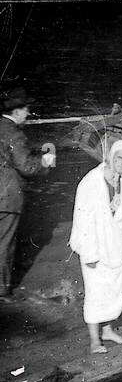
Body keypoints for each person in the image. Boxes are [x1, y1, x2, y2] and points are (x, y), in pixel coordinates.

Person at [70, 140, 122, 353]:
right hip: (94, 244)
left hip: (114, 244)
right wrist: (89, 252)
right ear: (110, 157)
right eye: (119, 158)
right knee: (96, 290)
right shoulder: (91, 182)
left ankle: (107, 329)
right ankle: (94, 340)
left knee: (113, 288)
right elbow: (82, 219)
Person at [0, 87, 56, 302]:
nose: (28, 114)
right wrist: (45, 162)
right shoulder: (14, 133)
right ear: (15, 112)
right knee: (4, 242)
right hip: (6, 197)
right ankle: (2, 291)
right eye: (25, 110)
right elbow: (26, 167)